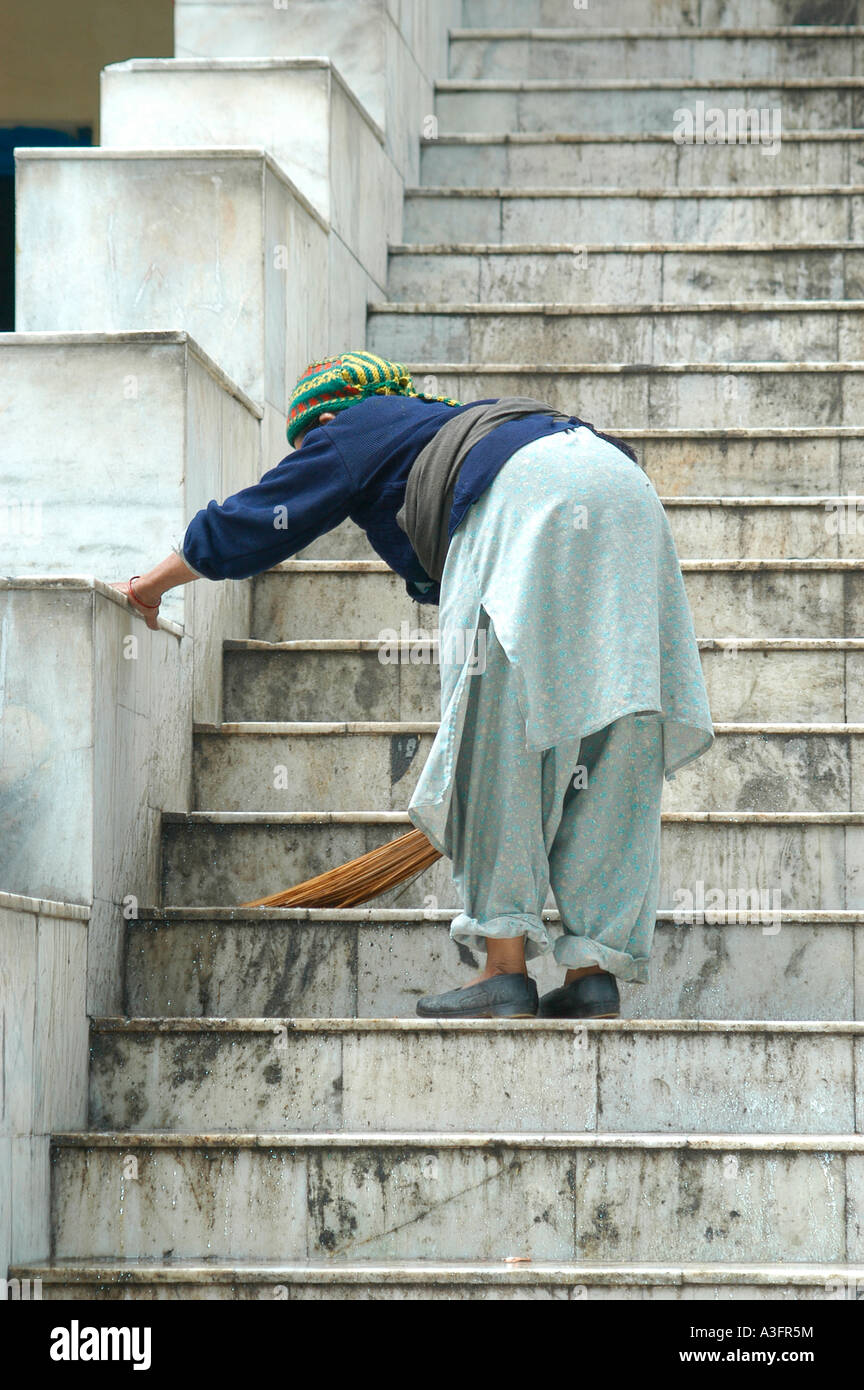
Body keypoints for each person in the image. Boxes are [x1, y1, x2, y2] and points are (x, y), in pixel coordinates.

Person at [113, 351, 714, 1020]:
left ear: (329, 416)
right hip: (623, 486)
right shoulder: (448, 426)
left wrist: (148, 586)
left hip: (529, 502)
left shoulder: (354, 425)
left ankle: (504, 970)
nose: (313, 454)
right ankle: (593, 970)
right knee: (617, 730)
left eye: (309, 442)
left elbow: (258, 518)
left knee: (497, 750)